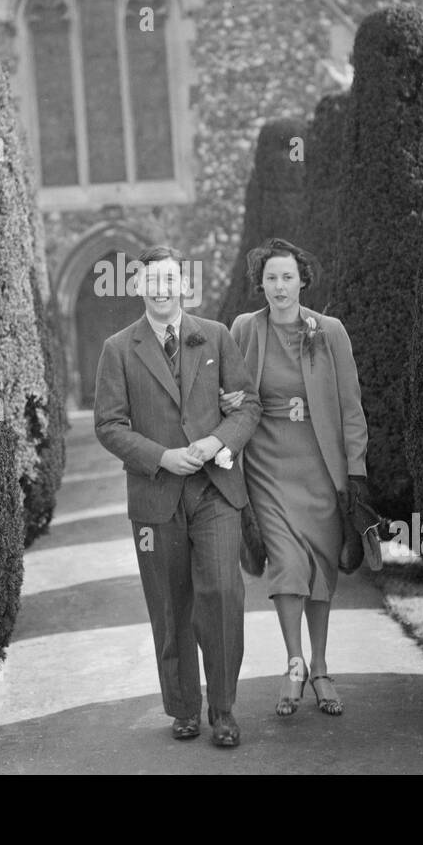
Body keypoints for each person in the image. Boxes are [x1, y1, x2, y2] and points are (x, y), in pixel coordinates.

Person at [94, 246, 261, 747]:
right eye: (152, 281)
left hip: (215, 490)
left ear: (183, 285)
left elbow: (247, 405)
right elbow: (109, 425)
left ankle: (223, 710)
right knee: (170, 605)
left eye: (170, 280)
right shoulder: (118, 348)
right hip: (155, 495)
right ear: (138, 287)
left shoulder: (216, 335)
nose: (162, 289)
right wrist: (162, 457)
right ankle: (184, 708)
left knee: (223, 596)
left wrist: (216, 443)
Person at [226, 237, 371, 717]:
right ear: (261, 283)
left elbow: (351, 408)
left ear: (302, 280)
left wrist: (356, 472)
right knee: (286, 564)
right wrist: (226, 404)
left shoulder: (330, 331)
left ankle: (322, 665)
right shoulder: (245, 328)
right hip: (266, 466)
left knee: (320, 568)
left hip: (320, 466)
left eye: (288, 276)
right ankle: (294, 665)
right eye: (271, 278)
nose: (280, 286)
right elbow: (228, 391)